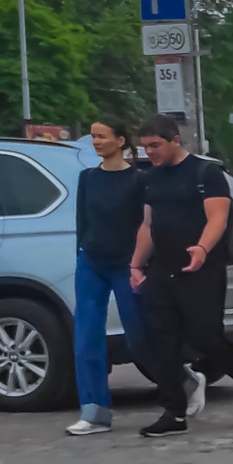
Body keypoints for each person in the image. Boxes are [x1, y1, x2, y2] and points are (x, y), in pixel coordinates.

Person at [129, 114, 233, 437]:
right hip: (163, 270)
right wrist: (136, 265)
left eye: (155, 145)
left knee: (207, 337)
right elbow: (148, 225)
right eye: (145, 147)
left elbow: (217, 218)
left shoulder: (206, 173)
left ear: (175, 140)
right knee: (161, 342)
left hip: (202, 269)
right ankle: (174, 413)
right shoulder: (151, 178)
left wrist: (202, 249)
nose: (149, 152)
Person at [65, 119, 171, 435]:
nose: (96, 141)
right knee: (85, 339)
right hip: (91, 263)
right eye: (93, 136)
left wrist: (142, 265)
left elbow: (148, 226)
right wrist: (81, 254)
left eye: (102, 136)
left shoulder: (139, 180)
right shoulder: (87, 178)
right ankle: (95, 412)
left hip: (127, 265)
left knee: (138, 336)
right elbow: (82, 221)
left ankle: (181, 380)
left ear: (120, 140)